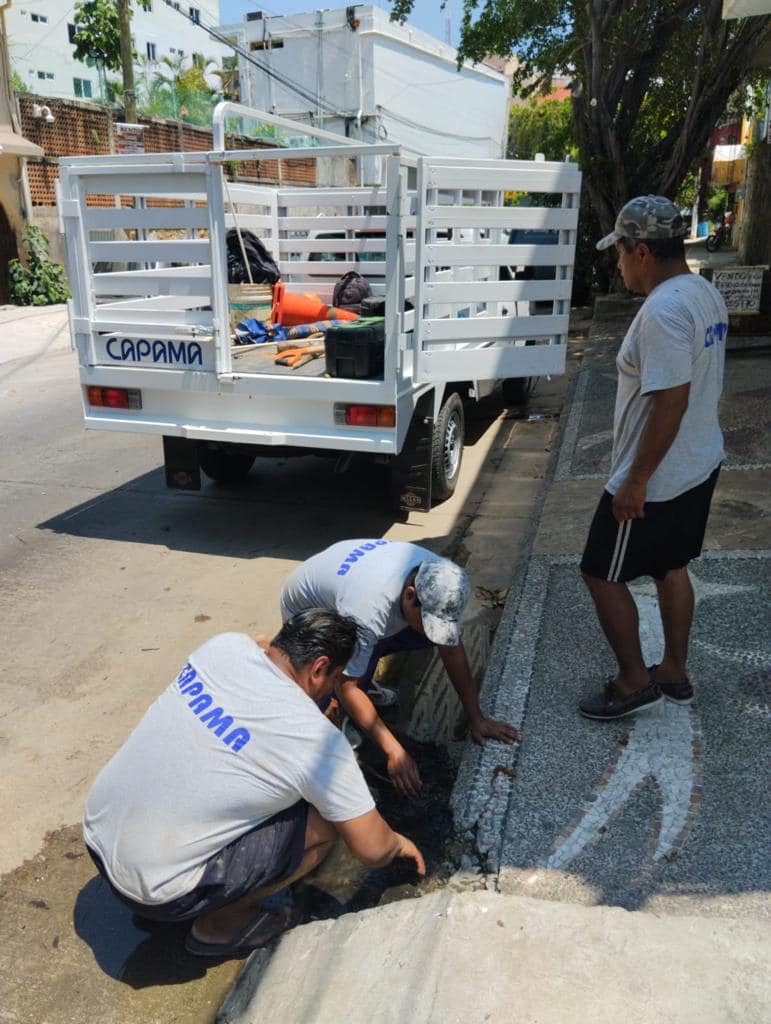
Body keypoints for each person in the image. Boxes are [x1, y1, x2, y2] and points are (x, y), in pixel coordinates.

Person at [83, 610, 425, 959]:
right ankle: (220, 925)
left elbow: (260, 647)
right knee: (327, 821)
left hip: (97, 833)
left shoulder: (223, 647)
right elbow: (371, 848)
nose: (332, 688)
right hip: (155, 891)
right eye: (335, 677)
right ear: (319, 668)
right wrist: (398, 845)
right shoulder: (315, 739)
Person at [579, 195, 728, 721]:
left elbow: (672, 400)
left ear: (641, 252)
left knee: (600, 572)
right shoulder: (703, 292)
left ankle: (633, 681)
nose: (619, 265)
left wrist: (636, 481)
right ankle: (673, 671)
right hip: (698, 462)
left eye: (621, 252)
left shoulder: (662, 312)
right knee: (670, 566)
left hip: (659, 478)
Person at [281, 540, 521, 797]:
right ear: (409, 594)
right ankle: (338, 715)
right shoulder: (368, 610)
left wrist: (477, 718)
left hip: (353, 593)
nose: (432, 630)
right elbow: (346, 686)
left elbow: (451, 649)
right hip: (310, 613)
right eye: (427, 620)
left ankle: (363, 680)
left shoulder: (442, 577)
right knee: (333, 687)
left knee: (423, 638)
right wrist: (394, 751)